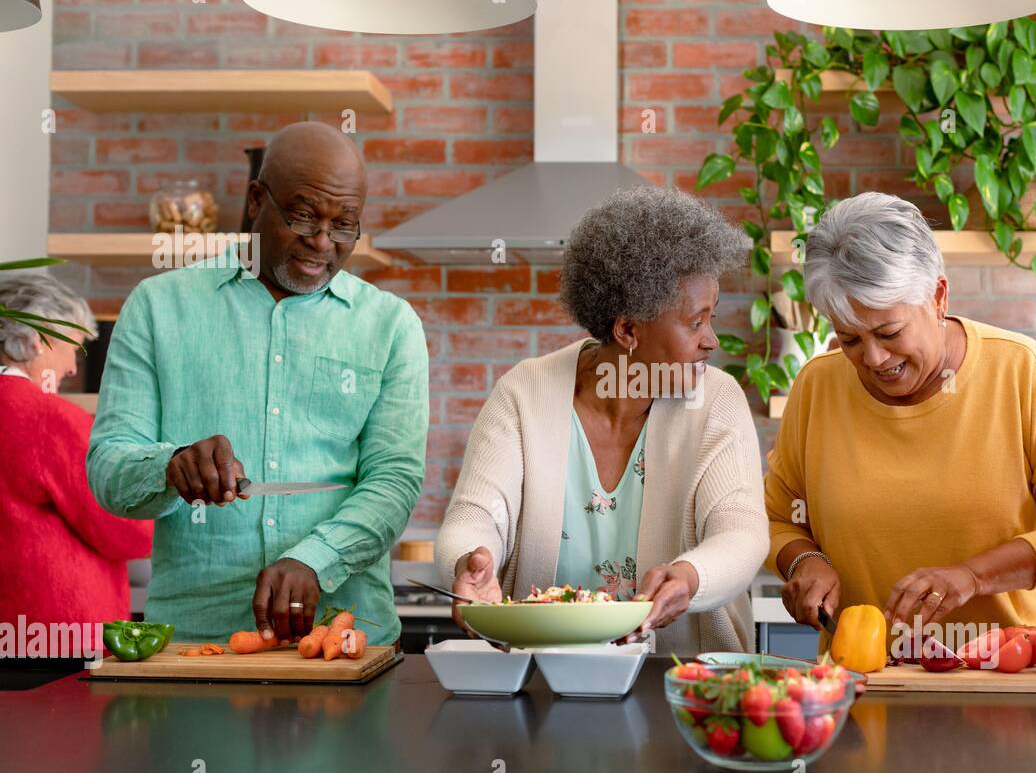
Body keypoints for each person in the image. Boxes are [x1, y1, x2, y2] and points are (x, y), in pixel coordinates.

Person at [88, 121, 428, 646]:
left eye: (345, 226)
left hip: (343, 642)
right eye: (303, 216)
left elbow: (394, 481)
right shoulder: (158, 307)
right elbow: (109, 468)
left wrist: (314, 560)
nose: (322, 242)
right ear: (255, 200)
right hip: (198, 646)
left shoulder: (390, 325)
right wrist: (169, 465)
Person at [766, 192, 1036, 648]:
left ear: (937, 297)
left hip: (1011, 681)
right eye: (849, 338)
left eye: (889, 332)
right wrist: (803, 561)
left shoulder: (1017, 369)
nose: (873, 358)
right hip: (867, 680)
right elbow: (774, 519)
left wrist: (973, 577)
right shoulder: (819, 385)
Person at [434, 186, 768, 653]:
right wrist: (469, 561)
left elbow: (743, 531)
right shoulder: (524, 391)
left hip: (676, 680)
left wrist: (692, 576)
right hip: (539, 676)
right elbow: (474, 515)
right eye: (696, 322)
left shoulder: (717, 401)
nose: (711, 341)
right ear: (628, 330)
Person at [0, 274, 152, 630]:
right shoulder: (49, 418)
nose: (71, 367)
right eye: (73, 346)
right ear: (38, 340)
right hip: (58, 631)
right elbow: (126, 530)